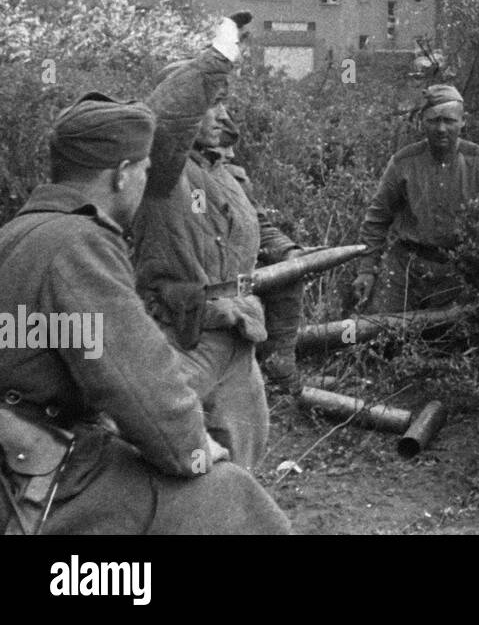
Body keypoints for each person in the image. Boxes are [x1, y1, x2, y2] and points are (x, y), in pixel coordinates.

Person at [0, 92, 290, 534]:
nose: (144, 183)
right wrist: (191, 448)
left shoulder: (19, 232)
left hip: (24, 439)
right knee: (234, 497)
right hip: (44, 464)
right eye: (144, 171)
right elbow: (132, 380)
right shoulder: (80, 243)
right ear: (121, 175)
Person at [132, 12, 304, 470]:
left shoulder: (221, 172)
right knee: (171, 466)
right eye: (211, 102)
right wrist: (216, 59)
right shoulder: (157, 174)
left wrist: (288, 252)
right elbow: (163, 123)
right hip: (179, 340)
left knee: (243, 468)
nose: (221, 113)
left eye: (223, 102)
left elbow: (254, 223)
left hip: (237, 336)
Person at [350, 85, 479, 313]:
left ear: (463, 121)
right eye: (433, 121)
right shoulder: (404, 163)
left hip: (458, 271)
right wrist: (367, 270)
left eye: (449, 120)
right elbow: (377, 219)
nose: (442, 129)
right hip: (405, 267)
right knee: (380, 334)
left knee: (458, 336)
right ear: (422, 122)